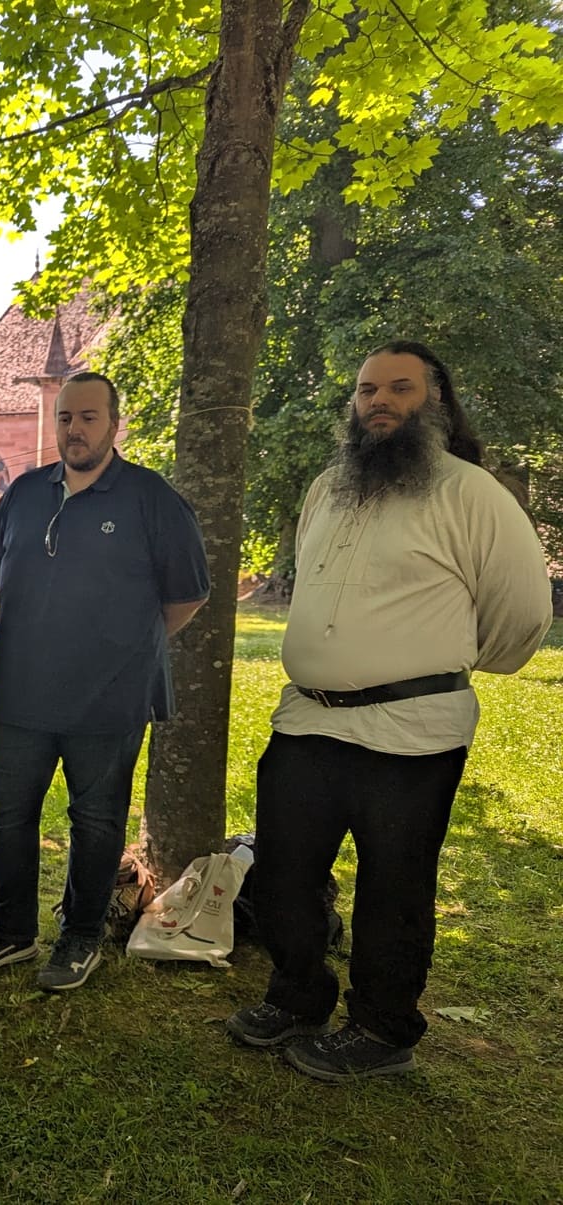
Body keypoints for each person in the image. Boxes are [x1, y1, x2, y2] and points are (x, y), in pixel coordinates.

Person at [227, 342, 552, 1079]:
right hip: (307, 720)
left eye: (399, 388)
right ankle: (297, 994)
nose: (379, 400)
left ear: (436, 400)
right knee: (282, 871)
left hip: (411, 732)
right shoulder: (326, 489)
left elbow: (522, 616)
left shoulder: (471, 493)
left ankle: (381, 1028)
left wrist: (433, 670)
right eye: (368, 388)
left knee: (394, 889)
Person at [0, 371, 210, 990]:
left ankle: (80, 937)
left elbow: (187, 597)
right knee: (7, 816)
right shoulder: (23, 495)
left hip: (109, 701)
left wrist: (123, 652)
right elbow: (2, 578)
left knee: (96, 824)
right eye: (65, 417)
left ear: (114, 424)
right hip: (19, 695)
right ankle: (8, 933)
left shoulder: (152, 499)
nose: (74, 429)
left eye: (89, 417)